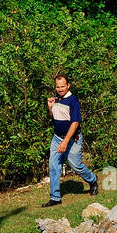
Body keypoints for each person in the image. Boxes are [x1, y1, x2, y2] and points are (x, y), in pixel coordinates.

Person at [42, 73, 97, 207]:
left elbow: (75, 123)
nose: (60, 89)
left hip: (73, 140)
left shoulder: (73, 101)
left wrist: (65, 142)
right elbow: (53, 117)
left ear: (68, 86)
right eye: (57, 87)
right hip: (57, 138)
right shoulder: (56, 99)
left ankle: (93, 179)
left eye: (62, 86)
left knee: (75, 166)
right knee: (54, 166)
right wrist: (50, 108)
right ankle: (55, 197)